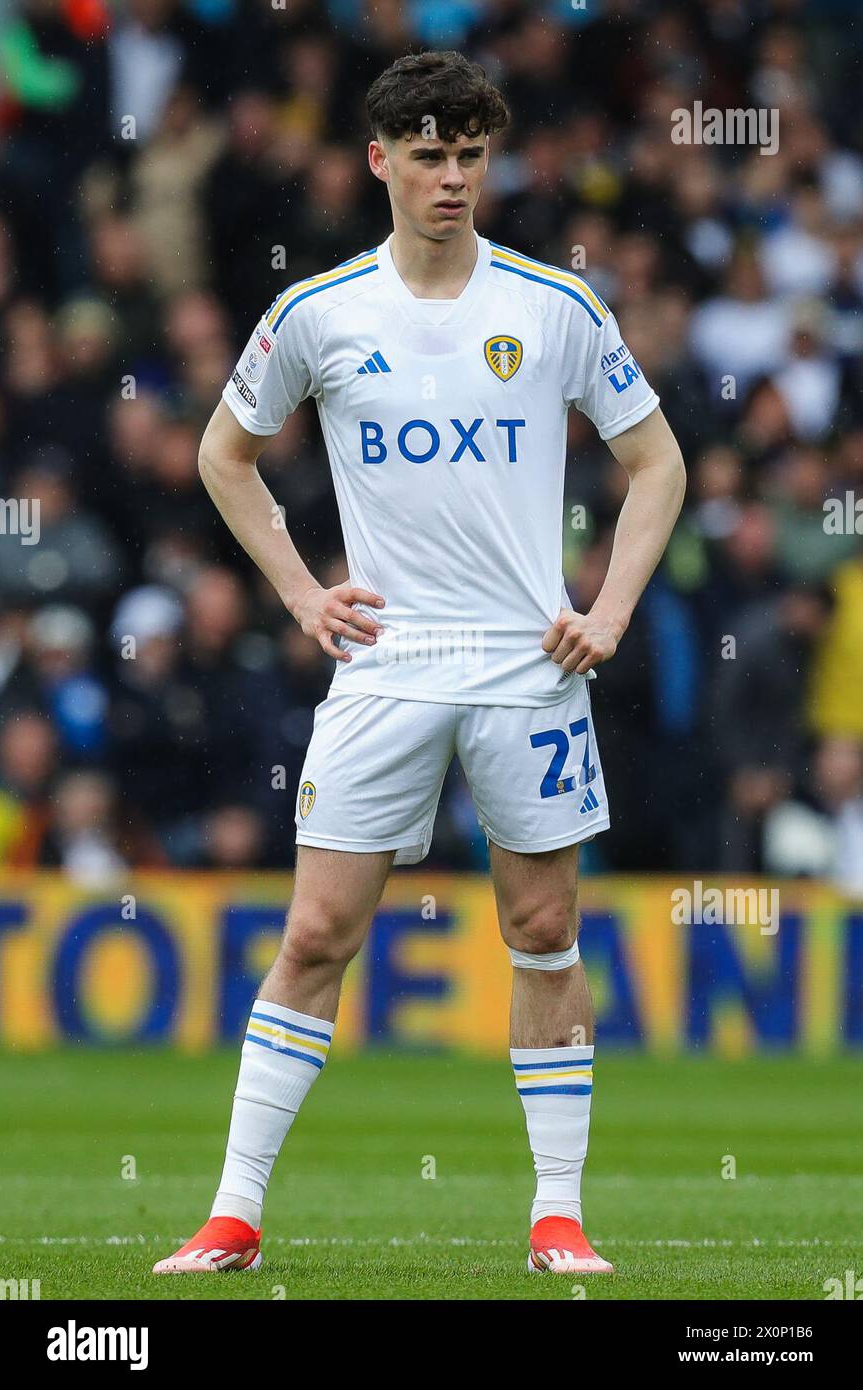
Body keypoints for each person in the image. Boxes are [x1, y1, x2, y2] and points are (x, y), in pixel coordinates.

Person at [153, 50, 685, 1278]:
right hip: (387, 660)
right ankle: (232, 1216)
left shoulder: (555, 306)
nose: (452, 177)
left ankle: (557, 1216)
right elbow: (220, 454)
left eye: (470, 155)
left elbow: (655, 462)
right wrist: (296, 590)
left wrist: (604, 608)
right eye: (429, 154)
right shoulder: (318, 311)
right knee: (317, 930)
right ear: (379, 161)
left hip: (525, 659)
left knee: (542, 926)